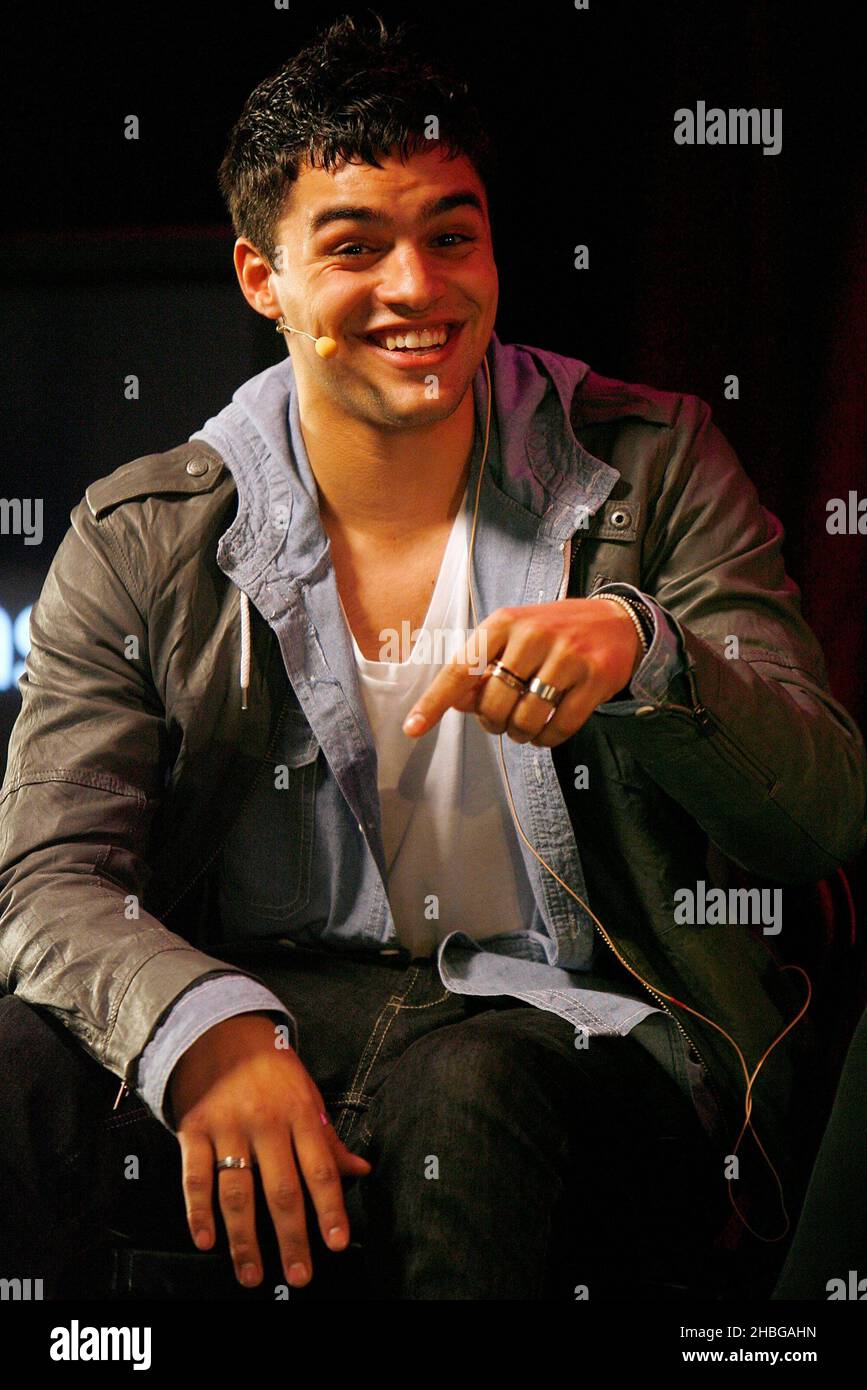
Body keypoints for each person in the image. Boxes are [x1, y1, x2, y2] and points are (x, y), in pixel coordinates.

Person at [0, 13, 865, 1302]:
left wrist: (650, 651)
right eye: (356, 247)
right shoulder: (144, 532)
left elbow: (825, 810)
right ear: (261, 276)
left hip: (573, 1021)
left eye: (451, 237)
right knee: (12, 1060)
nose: (419, 288)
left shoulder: (658, 463)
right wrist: (206, 1029)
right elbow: (48, 878)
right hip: (268, 989)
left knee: (474, 1093)